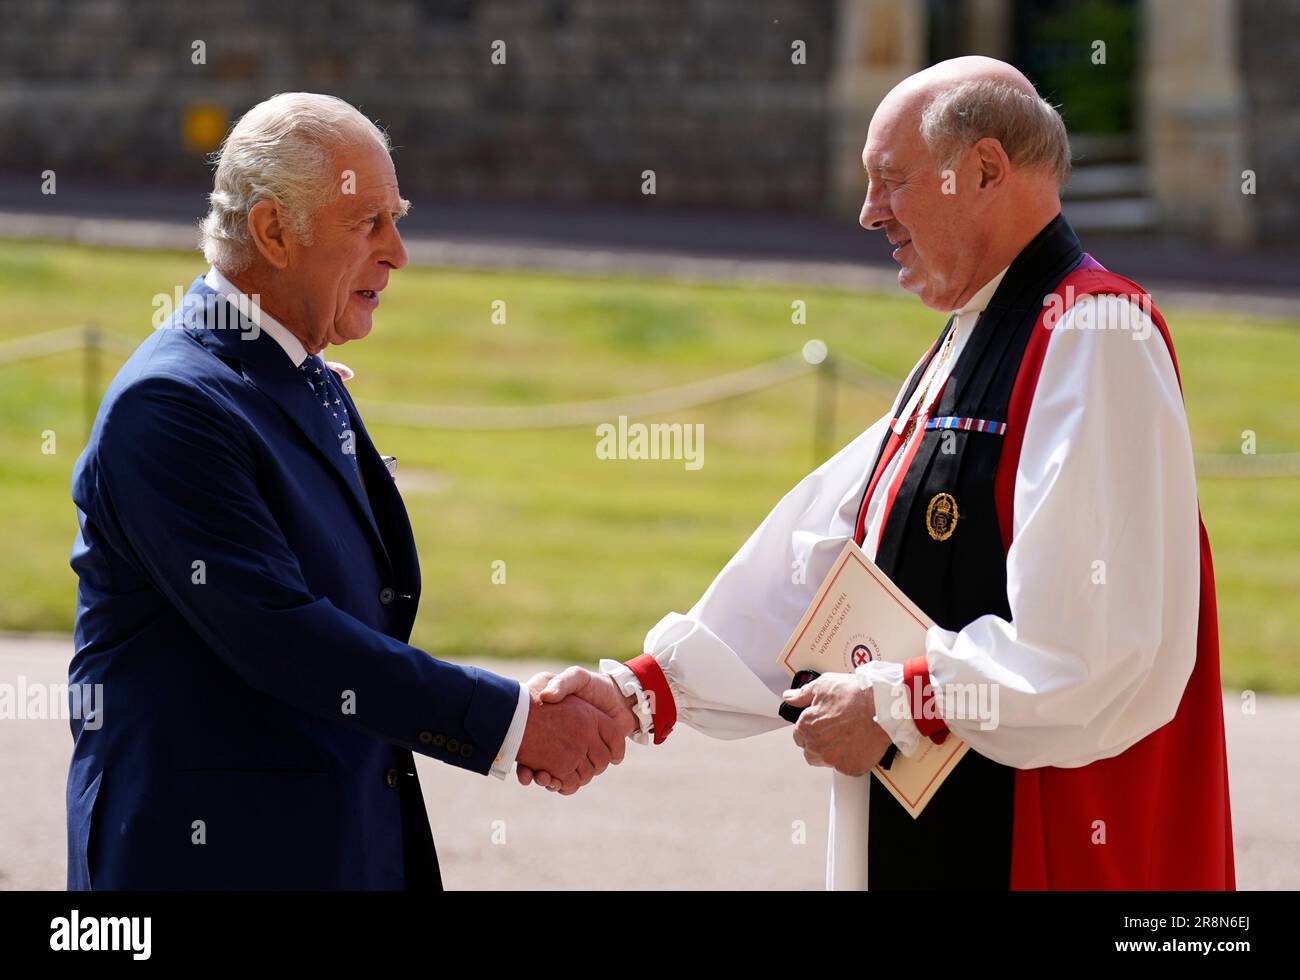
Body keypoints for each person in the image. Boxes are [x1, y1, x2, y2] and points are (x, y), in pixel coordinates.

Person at [523, 57, 1235, 891]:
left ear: (984, 169)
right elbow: (828, 554)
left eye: (891, 181)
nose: (868, 214)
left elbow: (1092, 651)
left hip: (1038, 841)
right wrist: (641, 693)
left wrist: (899, 703)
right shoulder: (974, 337)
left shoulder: (1095, 335)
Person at [66, 93, 630, 890]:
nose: (397, 252)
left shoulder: (286, 366)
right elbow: (285, 638)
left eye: (395, 218)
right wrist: (514, 724)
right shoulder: (171, 404)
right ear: (271, 232)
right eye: (367, 222)